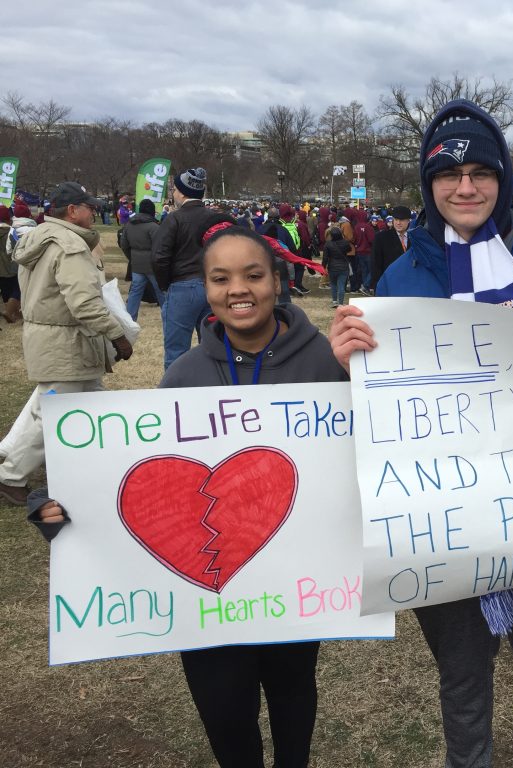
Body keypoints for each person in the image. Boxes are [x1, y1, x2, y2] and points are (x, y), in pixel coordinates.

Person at [329, 98, 513, 768]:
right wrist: (346, 361)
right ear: (427, 184)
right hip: (443, 520)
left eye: (480, 171)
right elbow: (380, 415)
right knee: (461, 681)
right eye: (448, 173)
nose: (465, 186)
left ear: (503, 177)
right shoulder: (401, 277)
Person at [31, 224, 344, 766]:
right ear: (205, 288)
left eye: (252, 275)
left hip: (294, 593)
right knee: (226, 718)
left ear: (277, 282)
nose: (237, 289)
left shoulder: (326, 365)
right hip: (204, 607)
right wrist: (55, 505)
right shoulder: (184, 375)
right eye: (220, 278)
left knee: (294, 701)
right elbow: (125, 474)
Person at [0, 182, 133, 505]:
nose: (93, 211)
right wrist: (116, 334)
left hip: (53, 337)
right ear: (73, 211)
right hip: (67, 341)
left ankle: (114, 459)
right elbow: (84, 302)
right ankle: (10, 476)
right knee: (53, 412)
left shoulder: (39, 238)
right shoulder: (70, 246)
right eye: (88, 207)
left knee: (73, 401)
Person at [152, 167, 213, 369]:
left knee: (176, 352)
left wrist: (164, 284)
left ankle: (176, 396)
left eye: (175, 190)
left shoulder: (174, 219)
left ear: (182, 192)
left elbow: (160, 257)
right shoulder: (213, 218)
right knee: (213, 347)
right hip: (212, 286)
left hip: (182, 286)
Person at [122, 199, 165, 320]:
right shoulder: (154, 227)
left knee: (134, 294)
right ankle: (168, 317)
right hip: (153, 266)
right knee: (161, 292)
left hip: (137, 265)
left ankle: (129, 320)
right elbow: (160, 248)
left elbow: (124, 244)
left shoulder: (129, 225)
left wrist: (132, 258)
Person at [369, 205, 412, 291]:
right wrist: (377, 285)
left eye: (402, 220)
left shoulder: (415, 238)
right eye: (396, 219)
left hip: (410, 285)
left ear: (408, 221)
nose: (398, 223)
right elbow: (375, 263)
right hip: (389, 285)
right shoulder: (381, 238)